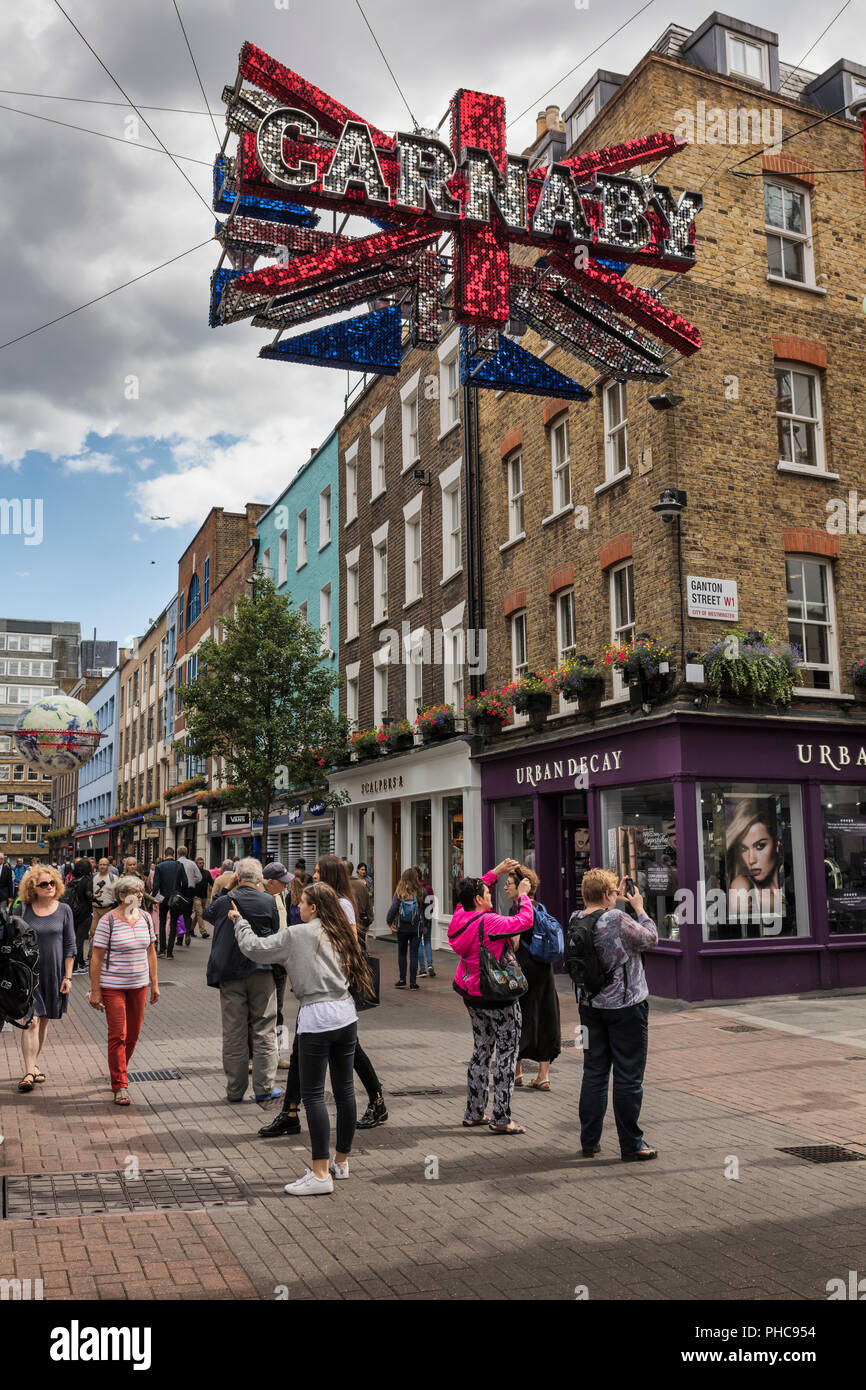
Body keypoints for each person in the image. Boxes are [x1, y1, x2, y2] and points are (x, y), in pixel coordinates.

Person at [230, 881, 373, 1196]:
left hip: (317, 1018)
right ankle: (342, 1162)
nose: (298, 908)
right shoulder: (341, 932)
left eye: (303, 903)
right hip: (346, 1015)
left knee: (312, 1096)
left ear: (315, 908)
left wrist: (239, 922)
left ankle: (320, 1173)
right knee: (345, 1089)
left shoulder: (297, 934)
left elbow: (255, 947)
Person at [259, 856, 387, 1138]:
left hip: (334, 992)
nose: (314, 875)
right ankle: (290, 1112)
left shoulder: (339, 903)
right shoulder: (327, 900)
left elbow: (351, 944)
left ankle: (375, 1102)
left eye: (318, 871)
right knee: (311, 1050)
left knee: (350, 1052)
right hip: (326, 995)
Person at [573, 868, 659, 1161]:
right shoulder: (617, 918)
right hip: (625, 1008)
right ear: (609, 894)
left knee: (594, 1072)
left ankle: (589, 1140)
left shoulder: (576, 919)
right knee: (628, 1076)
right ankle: (631, 1143)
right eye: (613, 892)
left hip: (589, 1007)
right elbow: (650, 939)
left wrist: (615, 903)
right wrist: (639, 908)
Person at [448, 859, 533, 1134]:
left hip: (472, 994)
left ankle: (474, 1112)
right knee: (507, 1053)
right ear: (478, 899)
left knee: (481, 1050)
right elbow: (524, 921)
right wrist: (523, 896)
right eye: (486, 893)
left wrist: (494, 873)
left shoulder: (459, 917)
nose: (490, 895)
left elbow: (466, 896)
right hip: (499, 996)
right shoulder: (490, 922)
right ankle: (500, 1117)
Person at [204, 856, 281, 1103]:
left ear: (237, 877)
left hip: (230, 973)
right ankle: (264, 1088)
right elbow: (274, 928)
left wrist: (226, 888)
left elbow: (207, 914)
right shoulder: (268, 900)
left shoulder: (225, 901)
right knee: (264, 1029)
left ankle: (235, 1091)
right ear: (259, 879)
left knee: (234, 1031)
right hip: (262, 970)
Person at [88, 876, 159, 1105]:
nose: (140, 896)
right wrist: (95, 990)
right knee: (118, 1034)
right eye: (135, 892)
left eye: (141, 892)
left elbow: (151, 952)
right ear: (121, 896)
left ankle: (119, 1069)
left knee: (134, 1034)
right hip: (113, 986)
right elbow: (96, 957)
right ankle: (120, 1084)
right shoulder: (108, 921)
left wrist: (154, 983)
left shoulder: (146, 918)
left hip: (139, 985)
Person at [14, 866, 75, 1092]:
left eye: (51, 883)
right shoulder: (22, 911)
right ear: (33, 888)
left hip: (54, 972)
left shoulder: (64, 910)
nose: (49, 887)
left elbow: (70, 945)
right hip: (28, 974)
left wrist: (68, 977)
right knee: (31, 1020)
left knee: (44, 1019)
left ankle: (34, 1064)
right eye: (43, 884)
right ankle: (29, 1071)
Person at [502, 865, 561, 1091]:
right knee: (545, 1015)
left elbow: (514, 942)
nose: (506, 886)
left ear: (522, 886)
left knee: (518, 1017)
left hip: (523, 969)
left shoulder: (517, 908)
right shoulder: (541, 908)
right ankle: (543, 1076)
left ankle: (516, 1073)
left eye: (509, 883)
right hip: (544, 970)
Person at [725, 799, 784, 932]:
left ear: (776, 844)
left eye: (760, 846)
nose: (751, 859)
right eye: (744, 849)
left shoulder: (785, 885)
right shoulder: (741, 884)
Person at [386, 867, 425, 989]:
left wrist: (389, 922)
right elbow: (426, 910)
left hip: (402, 927)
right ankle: (413, 983)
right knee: (413, 955)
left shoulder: (399, 891)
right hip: (416, 928)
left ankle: (402, 979)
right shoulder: (421, 891)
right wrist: (425, 924)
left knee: (402, 954)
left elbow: (393, 909)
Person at [151, 847, 188, 957]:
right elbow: (185, 882)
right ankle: (170, 952)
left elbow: (156, 885)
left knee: (162, 921)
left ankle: (162, 949)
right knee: (173, 922)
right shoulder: (179, 865)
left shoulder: (159, 866)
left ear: (164, 854)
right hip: (175, 897)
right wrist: (181, 894)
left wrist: (154, 899)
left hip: (162, 896)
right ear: (174, 854)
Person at [64, 858, 94, 974]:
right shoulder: (87, 880)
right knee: (80, 940)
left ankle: (77, 962)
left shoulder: (74, 880)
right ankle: (77, 965)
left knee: (75, 937)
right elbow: (88, 896)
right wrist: (94, 896)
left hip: (74, 912)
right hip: (85, 913)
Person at [413, 863, 436, 978]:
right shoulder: (428, 888)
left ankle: (422, 969)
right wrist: (428, 920)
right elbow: (431, 904)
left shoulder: (411, 889)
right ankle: (430, 965)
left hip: (416, 920)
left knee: (418, 944)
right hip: (427, 918)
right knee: (427, 941)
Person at [177, 844, 203, 945]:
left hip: (179, 890)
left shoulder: (177, 863)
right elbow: (199, 877)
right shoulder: (192, 863)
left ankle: (180, 938)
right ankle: (187, 933)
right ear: (186, 853)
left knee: (179, 914)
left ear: (178, 853)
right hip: (190, 890)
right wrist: (192, 881)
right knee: (187, 913)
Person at [91, 859, 118, 942]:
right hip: (95, 910)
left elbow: (117, 893)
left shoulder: (114, 878)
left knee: (107, 932)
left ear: (108, 866)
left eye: (104, 864)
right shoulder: (94, 877)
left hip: (109, 909)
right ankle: (92, 952)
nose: (102, 866)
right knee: (93, 932)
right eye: (100, 864)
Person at [346, 861, 372, 944]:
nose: (364, 871)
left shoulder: (341, 885)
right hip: (360, 921)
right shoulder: (360, 884)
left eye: (365, 870)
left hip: (352, 921)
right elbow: (368, 905)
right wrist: (369, 918)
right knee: (360, 946)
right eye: (362, 869)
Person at [191, 856, 212, 939]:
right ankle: (203, 932)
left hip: (204, 897)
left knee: (197, 914)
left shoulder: (207, 873)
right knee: (200, 913)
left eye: (202, 863)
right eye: (200, 863)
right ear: (196, 864)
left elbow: (212, 882)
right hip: (196, 896)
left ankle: (190, 929)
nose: (202, 864)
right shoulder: (194, 873)